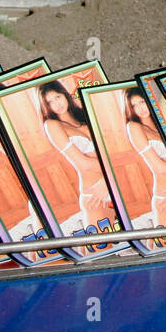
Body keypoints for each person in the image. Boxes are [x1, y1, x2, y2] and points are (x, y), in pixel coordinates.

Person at [39, 79, 111, 229]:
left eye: (57, 97)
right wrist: (112, 173)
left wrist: (109, 181)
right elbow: (82, 163)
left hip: (113, 184)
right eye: (50, 102)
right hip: (94, 192)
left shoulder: (85, 116)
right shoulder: (53, 125)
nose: (57, 104)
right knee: (103, 243)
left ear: (65, 95)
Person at [123, 87, 166, 227]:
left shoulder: (165, 124)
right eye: (134, 105)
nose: (140, 108)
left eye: (142, 102)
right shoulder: (134, 127)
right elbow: (159, 167)